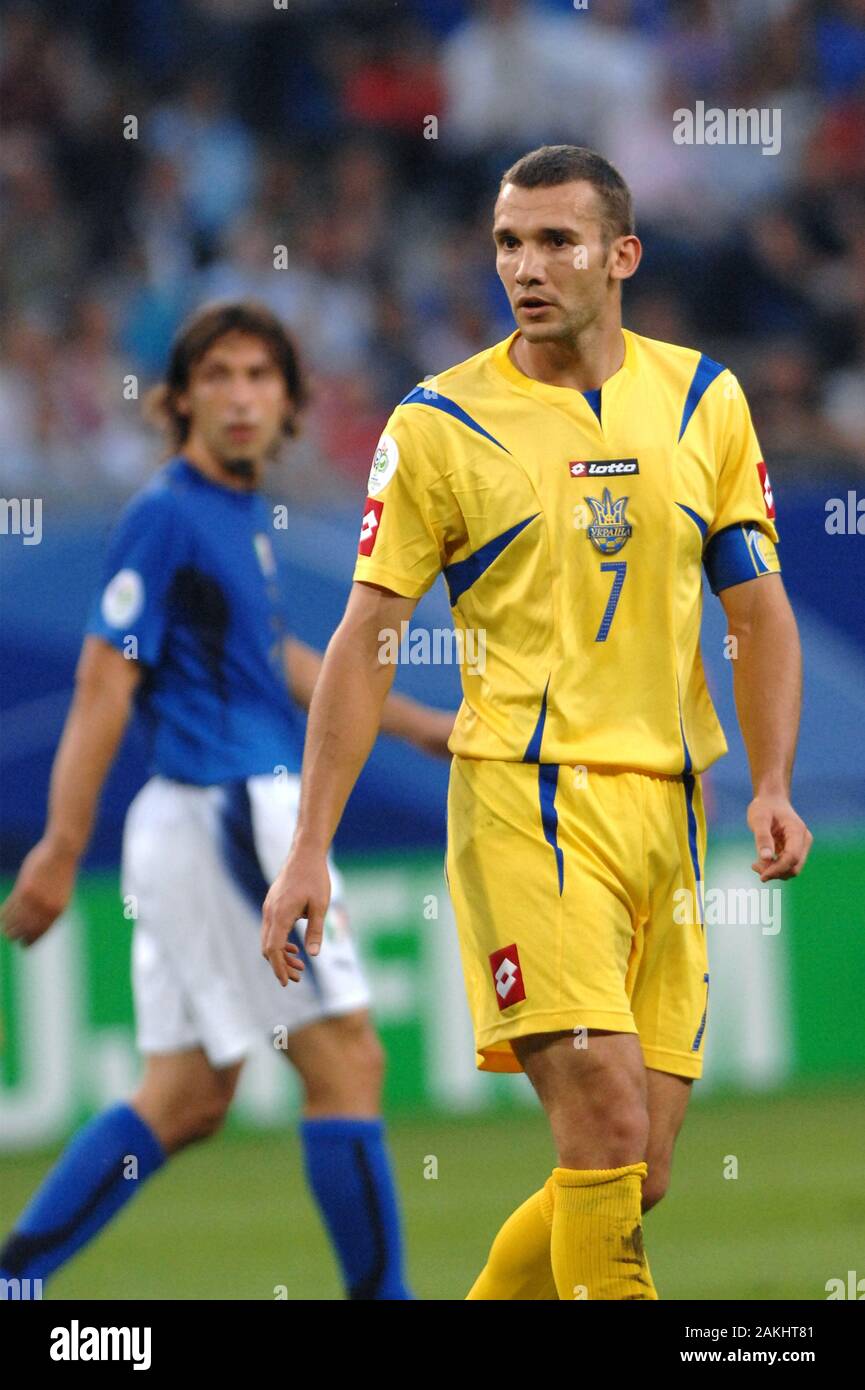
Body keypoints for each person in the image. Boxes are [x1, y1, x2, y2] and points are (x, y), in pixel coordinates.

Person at [260, 146, 813, 1301]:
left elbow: (756, 609)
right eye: (508, 242)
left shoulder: (704, 398)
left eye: (556, 241)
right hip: (524, 797)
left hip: (667, 808)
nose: (525, 265)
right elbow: (363, 641)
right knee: (603, 1121)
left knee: (636, 1167)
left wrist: (771, 779)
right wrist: (309, 843)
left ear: (622, 256)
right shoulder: (438, 423)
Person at [0, 300, 453, 1300]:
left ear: (290, 401)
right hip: (228, 811)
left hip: (203, 815)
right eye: (220, 376)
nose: (241, 397)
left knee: (188, 1093)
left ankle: (16, 1276)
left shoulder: (240, 514)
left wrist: (422, 724)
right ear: (180, 398)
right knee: (347, 1060)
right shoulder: (165, 514)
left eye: (260, 377)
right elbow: (102, 679)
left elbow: (272, 658)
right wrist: (62, 845)